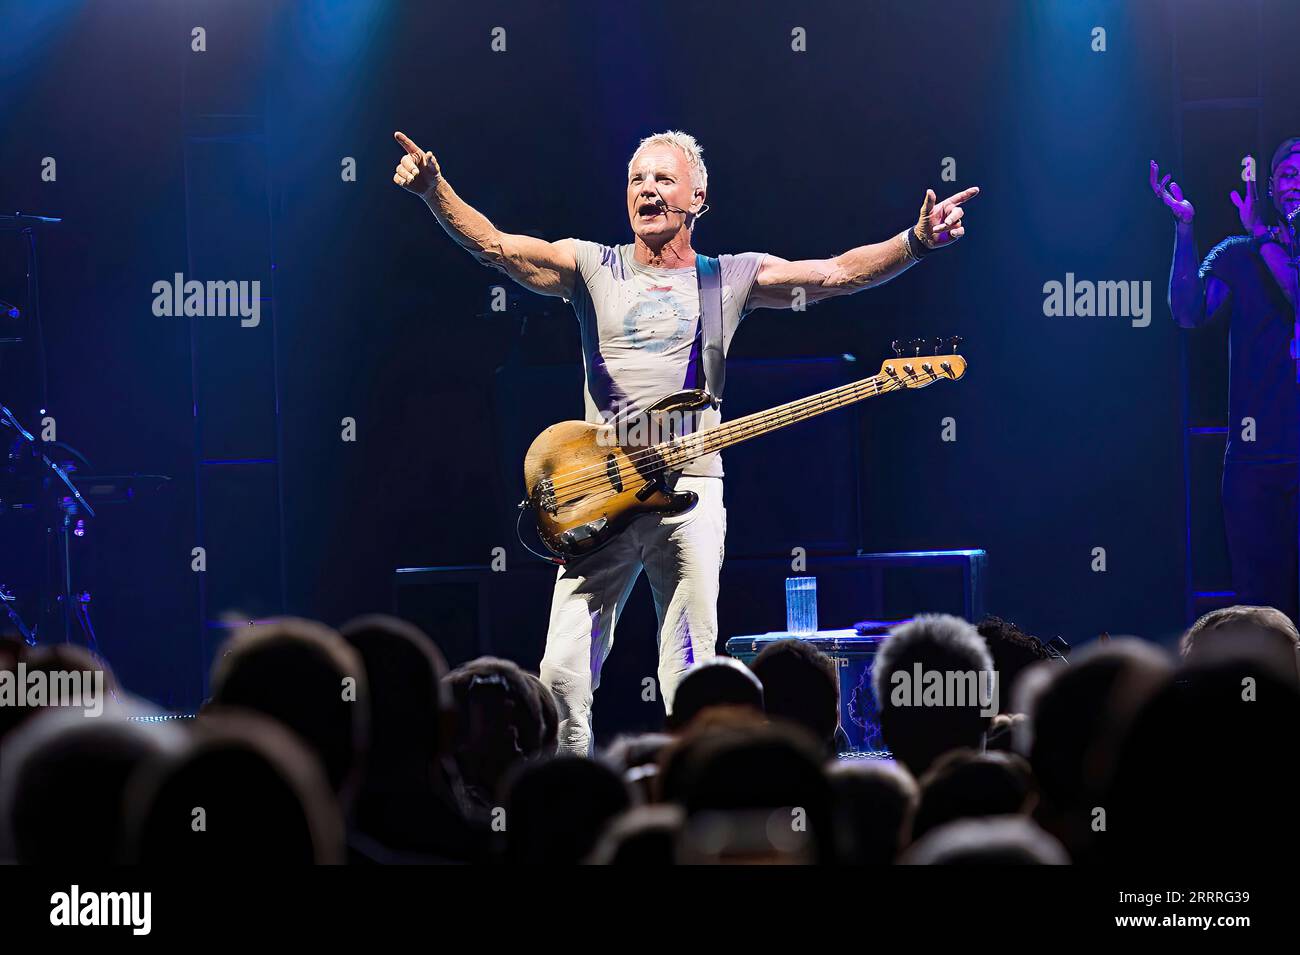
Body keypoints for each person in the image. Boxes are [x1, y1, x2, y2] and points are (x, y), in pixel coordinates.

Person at [395, 128, 979, 754]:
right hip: (598, 493)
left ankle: (693, 795)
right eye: (636, 179)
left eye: (662, 179)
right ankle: (568, 802)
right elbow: (497, 248)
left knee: (691, 668)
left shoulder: (728, 278)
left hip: (692, 492)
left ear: (698, 197)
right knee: (562, 671)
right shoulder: (590, 265)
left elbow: (836, 275)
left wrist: (915, 242)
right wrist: (436, 190)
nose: (646, 189)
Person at [1152, 139, 1300, 623]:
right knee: (1262, 608)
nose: (1294, 179)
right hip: (1255, 460)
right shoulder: (1239, 254)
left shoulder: (1257, 243)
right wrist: (1185, 227)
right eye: (1285, 173)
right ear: (1272, 190)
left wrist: (1262, 234)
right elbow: (1187, 313)